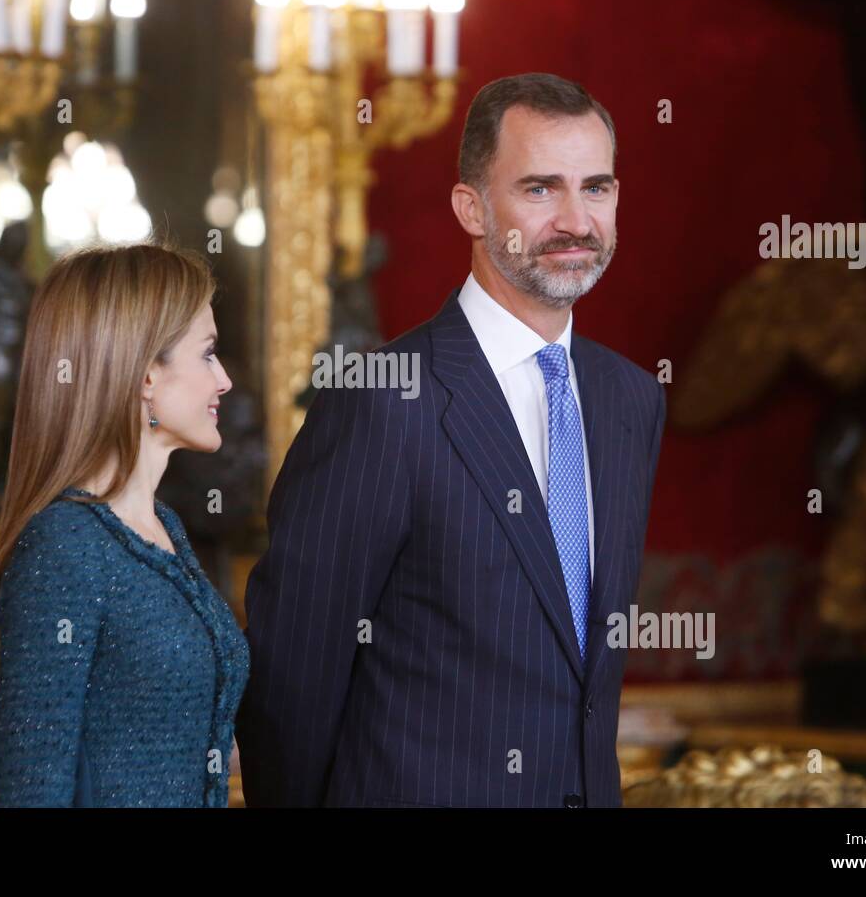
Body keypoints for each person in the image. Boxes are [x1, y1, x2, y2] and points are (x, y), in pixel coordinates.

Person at [238, 72, 666, 807]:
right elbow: (292, 675)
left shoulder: (630, 398)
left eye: (595, 187)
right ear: (471, 207)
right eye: (539, 190)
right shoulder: (383, 398)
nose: (575, 220)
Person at [0, 242, 247, 807]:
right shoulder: (64, 545)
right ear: (146, 375)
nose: (223, 379)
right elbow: (31, 788)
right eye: (207, 354)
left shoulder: (166, 528)